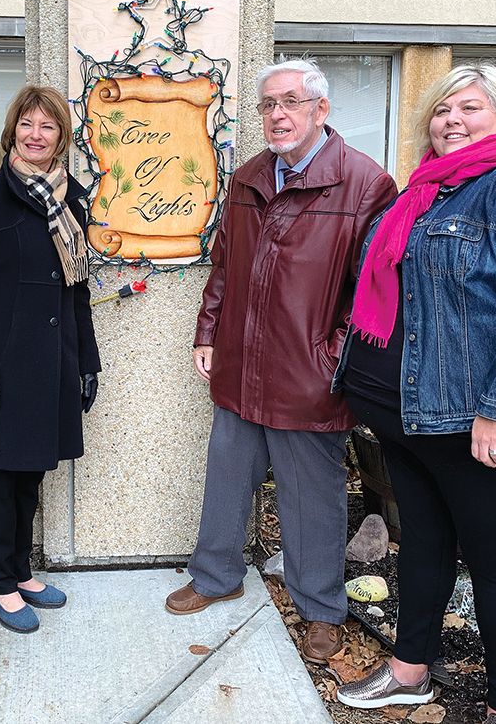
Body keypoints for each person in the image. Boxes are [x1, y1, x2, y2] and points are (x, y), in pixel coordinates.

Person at [333, 65, 496, 724]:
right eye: (441, 110)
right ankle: (410, 669)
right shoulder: (424, 194)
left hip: (479, 421)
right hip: (415, 421)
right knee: (422, 540)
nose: (451, 119)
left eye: (469, 108)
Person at [165, 59, 398, 662]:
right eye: (269, 104)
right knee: (226, 477)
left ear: (321, 109)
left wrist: (334, 359)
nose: (278, 114)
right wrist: (208, 331)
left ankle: (321, 608)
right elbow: (224, 267)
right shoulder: (247, 179)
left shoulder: (365, 183)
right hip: (242, 361)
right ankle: (216, 576)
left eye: (291, 102)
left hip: (309, 371)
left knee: (313, 496)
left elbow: (375, 292)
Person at [0, 86, 100, 634]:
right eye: (27, 124)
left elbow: (75, 289)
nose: (36, 134)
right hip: (3, 366)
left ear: (61, 137)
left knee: (31, 473)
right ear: (12, 131)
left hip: (52, 361)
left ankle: (20, 571)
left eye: (48, 126)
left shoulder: (71, 199)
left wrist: (87, 360)